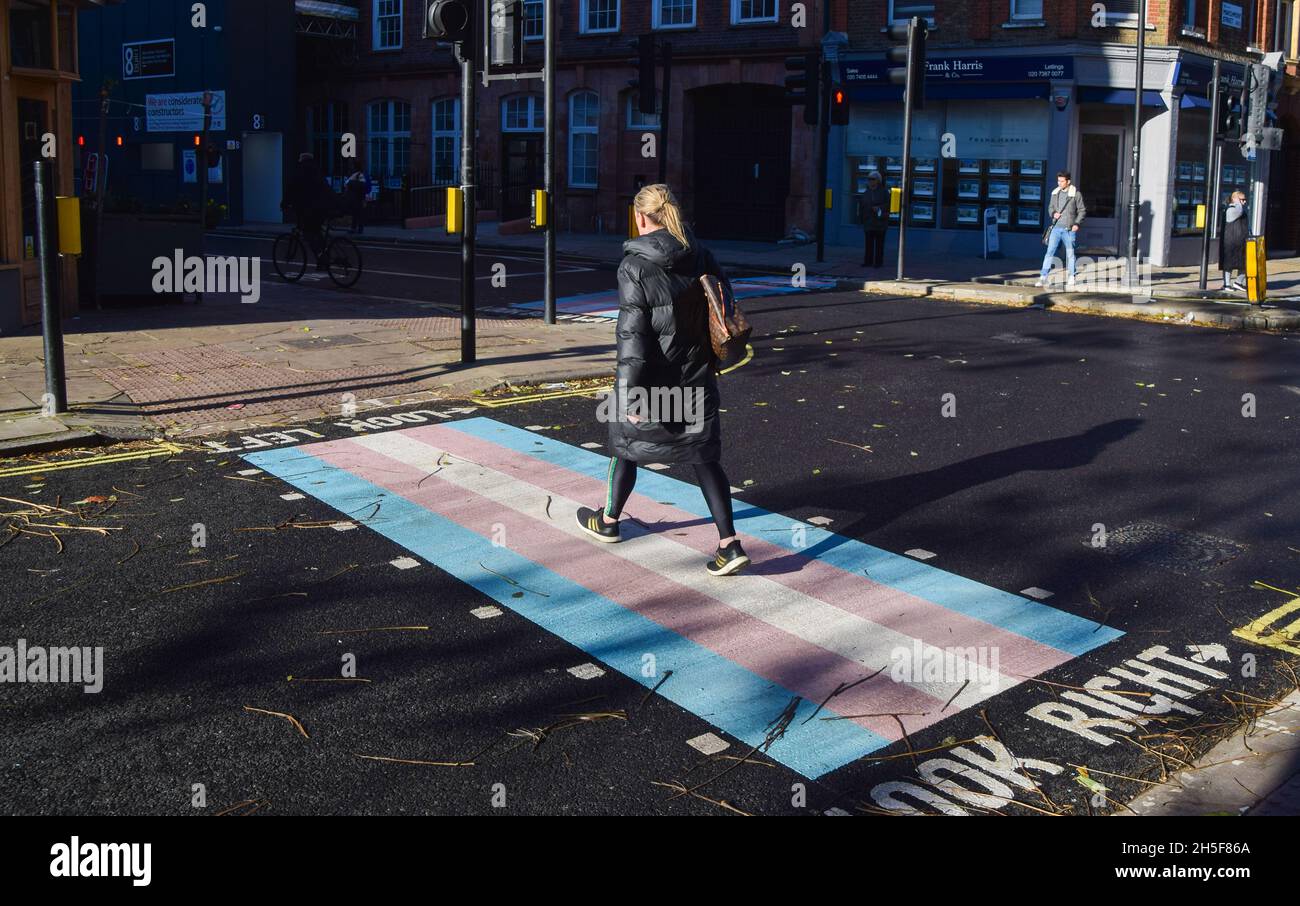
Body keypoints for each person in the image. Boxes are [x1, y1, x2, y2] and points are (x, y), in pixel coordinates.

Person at [575, 184, 749, 576]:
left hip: (654, 380)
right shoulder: (700, 253)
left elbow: (633, 337)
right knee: (704, 457)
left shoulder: (634, 266)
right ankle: (729, 544)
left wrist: (629, 394)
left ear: (640, 218)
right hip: (697, 375)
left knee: (626, 445)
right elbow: (722, 307)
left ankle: (608, 521)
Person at [1035, 170, 1087, 289]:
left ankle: (1071, 277)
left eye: (1062, 181)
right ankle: (1043, 277)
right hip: (1056, 228)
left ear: (1068, 181)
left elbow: (1082, 210)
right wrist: (1053, 213)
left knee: (1070, 253)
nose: (1059, 183)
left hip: (1069, 229)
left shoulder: (1075, 194)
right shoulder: (1055, 193)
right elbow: (1050, 207)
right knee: (1049, 252)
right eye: (1058, 181)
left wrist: (1077, 224)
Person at [282, 152, 333, 269]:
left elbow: (291, 188)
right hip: (323, 207)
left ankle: (321, 256)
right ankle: (324, 256)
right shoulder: (318, 171)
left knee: (308, 233)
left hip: (308, 209)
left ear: (301, 161)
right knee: (317, 230)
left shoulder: (300, 172)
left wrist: (284, 203)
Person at [859, 172, 889, 268]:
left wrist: (879, 208)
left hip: (880, 223)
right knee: (868, 244)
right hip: (868, 222)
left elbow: (888, 205)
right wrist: (862, 219)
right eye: (869, 179)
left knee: (879, 244)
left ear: (878, 180)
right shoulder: (866, 193)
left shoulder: (884, 192)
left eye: (873, 179)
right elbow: (862, 206)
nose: (870, 181)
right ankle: (868, 261)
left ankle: (878, 262)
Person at [1219, 190, 1248, 293]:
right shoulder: (1231, 209)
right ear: (1235, 199)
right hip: (1231, 242)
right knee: (1228, 264)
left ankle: (1238, 283)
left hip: (1240, 241)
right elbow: (1239, 211)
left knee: (1245, 263)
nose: (1244, 202)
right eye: (1242, 199)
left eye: (1245, 200)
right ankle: (1226, 284)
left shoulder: (1239, 209)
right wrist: (1237, 202)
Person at [344, 166, 371, 235]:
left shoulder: (353, 179)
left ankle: (354, 228)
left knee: (355, 214)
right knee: (359, 214)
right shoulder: (362, 178)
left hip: (355, 199)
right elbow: (365, 188)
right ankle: (359, 229)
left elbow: (346, 185)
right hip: (359, 198)